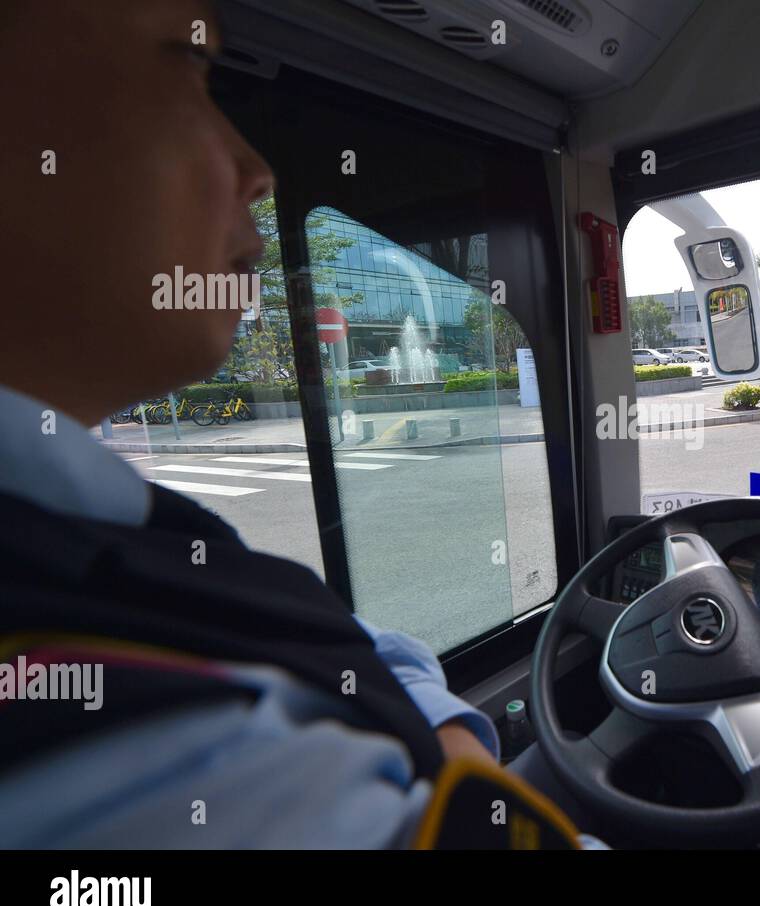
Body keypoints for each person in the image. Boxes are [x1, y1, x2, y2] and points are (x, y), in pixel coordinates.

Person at [0, 0, 591, 848]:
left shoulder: (95, 534)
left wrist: (449, 744)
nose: (258, 169)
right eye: (189, 67)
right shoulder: (165, 753)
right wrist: (455, 757)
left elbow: (338, 637)